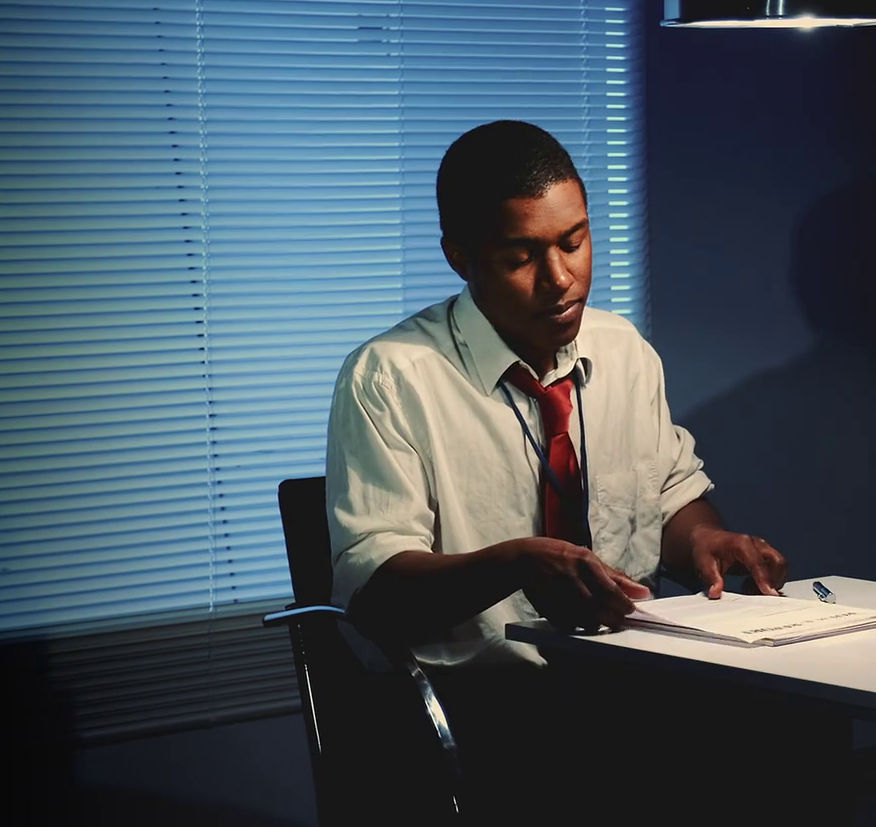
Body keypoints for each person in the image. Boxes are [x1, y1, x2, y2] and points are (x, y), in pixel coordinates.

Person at [324, 120, 814, 816]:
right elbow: (375, 592)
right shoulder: (391, 377)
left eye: (573, 242)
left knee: (789, 740)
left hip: (627, 684)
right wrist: (516, 565)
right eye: (520, 256)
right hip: (481, 704)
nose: (559, 279)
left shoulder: (622, 349)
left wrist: (704, 541)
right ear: (460, 256)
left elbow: (671, 497)